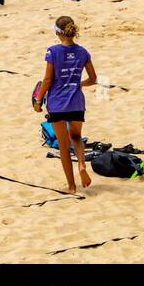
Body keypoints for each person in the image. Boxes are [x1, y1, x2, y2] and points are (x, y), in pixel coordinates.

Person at [33, 16, 96, 193]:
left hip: (57, 103)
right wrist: (78, 84)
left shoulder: (52, 51)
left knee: (63, 146)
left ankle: (71, 186)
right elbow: (93, 79)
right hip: (76, 102)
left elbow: (47, 80)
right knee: (76, 137)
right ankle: (82, 165)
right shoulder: (83, 52)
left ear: (57, 32)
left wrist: (38, 100)